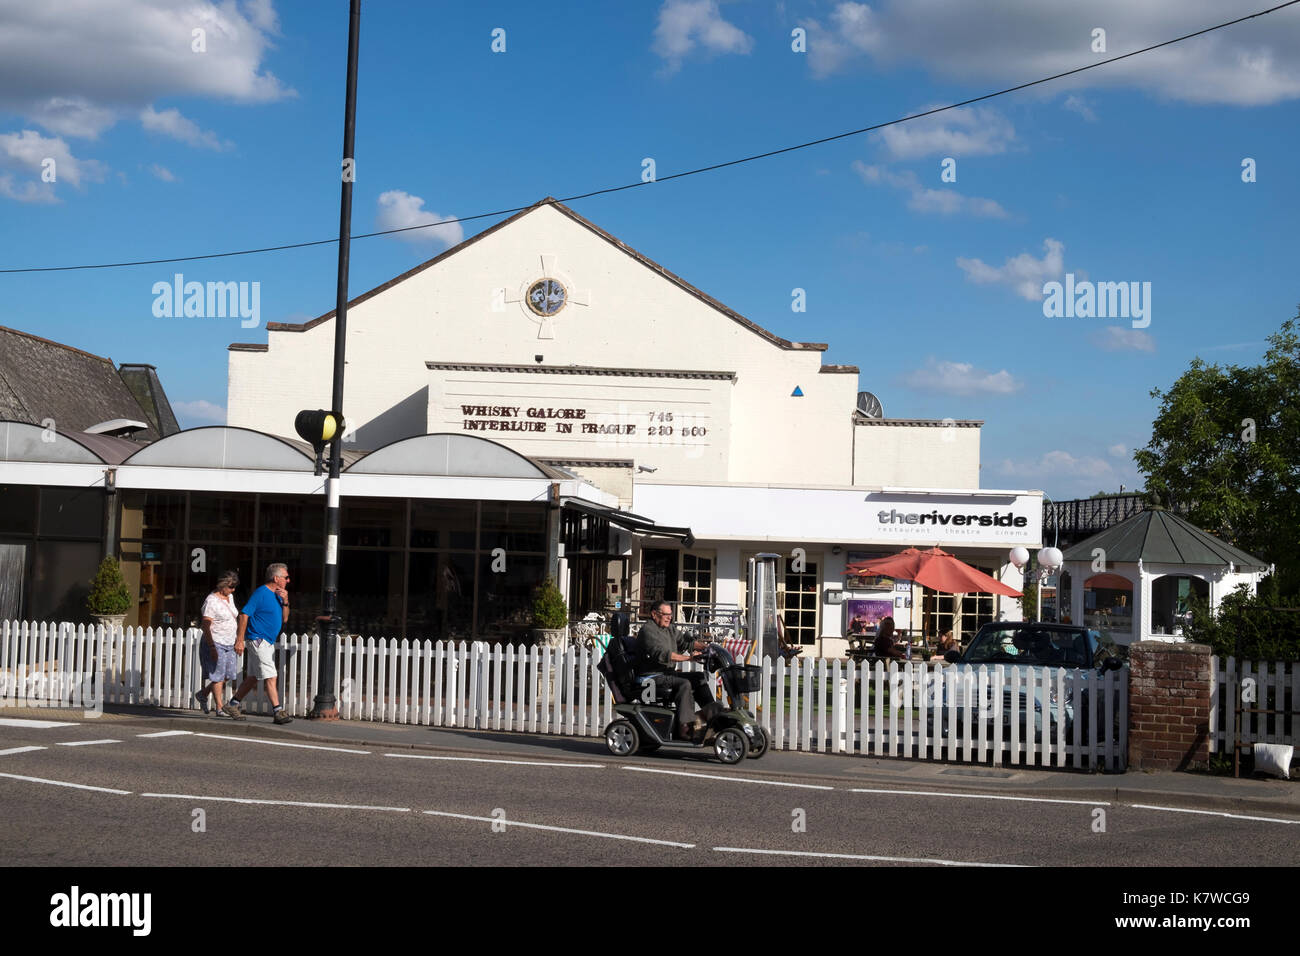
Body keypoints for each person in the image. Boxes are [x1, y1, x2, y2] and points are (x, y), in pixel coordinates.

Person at [223, 563, 293, 724]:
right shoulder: (261, 593)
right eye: (286, 577)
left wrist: (286, 601)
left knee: (253, 677)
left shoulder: (278, 594)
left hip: (267, 641)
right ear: (276, 578)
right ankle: (278, 711)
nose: (288, 580)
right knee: (270, 675)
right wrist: (239, 640)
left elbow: (285, 618)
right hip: (258, 639)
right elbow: (244, 615)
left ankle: (232, 704)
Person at [635, 601, 715, 741]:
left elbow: (686, 642)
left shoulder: (670, 629)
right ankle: (686, 729)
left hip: (666, 673)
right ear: (654, 614)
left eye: (670, 615)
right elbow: (663, 654)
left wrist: (706, 647)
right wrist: (689, 658)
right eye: (665, 614)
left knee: (698, 677)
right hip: (650, 676)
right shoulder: (648, 630)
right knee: (684, 684)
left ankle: (712, 715)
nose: (669, 618)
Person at [194, 570, 240, 715]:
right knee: (218, 674)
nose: (233, 590)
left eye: (234, 587)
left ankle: (203, 694)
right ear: (222, 586)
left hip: (230, 641)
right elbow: (206, 625)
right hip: (216, 641)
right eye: (231, 587)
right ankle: (219, 707)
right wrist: (212, 646)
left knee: (228, 674)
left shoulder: (230, 597)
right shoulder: (211, 601)